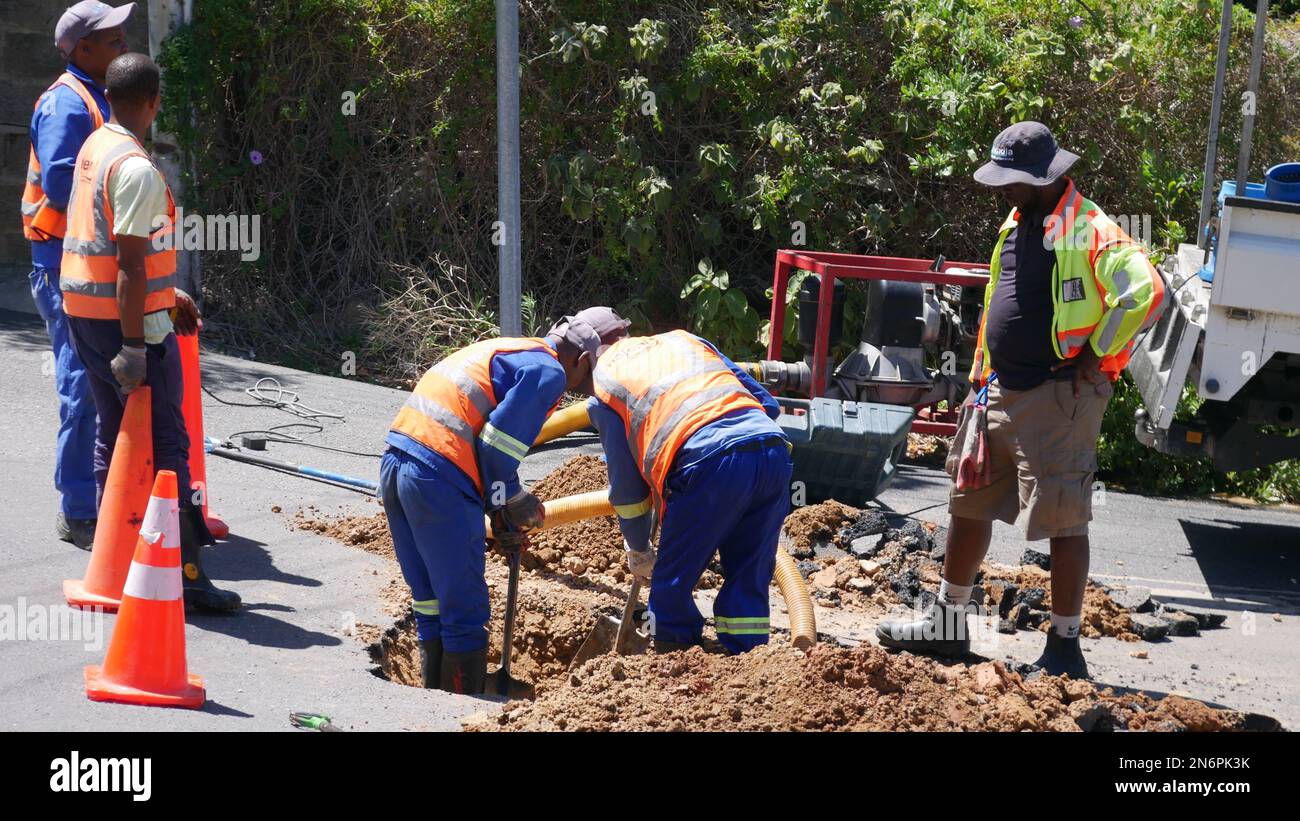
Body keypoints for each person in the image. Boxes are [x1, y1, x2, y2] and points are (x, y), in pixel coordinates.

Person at [876, 122, 1165, 678]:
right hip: (998, 389)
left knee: (1062, 518)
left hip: (1059, 394)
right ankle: (947, 623)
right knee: (968, 502)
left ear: (1044, 177)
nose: (1001, 190)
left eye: (1011, 180)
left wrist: (1097, 352)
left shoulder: (1089, 228)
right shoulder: (1018, 219)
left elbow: (1145, 291)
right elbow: (1001, 301)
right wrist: (981, 375)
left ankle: (1063, 648)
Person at [61, 52, 238, 612]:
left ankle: (117, 558)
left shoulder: (98, 145)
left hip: (88, 314)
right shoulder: (137, 169)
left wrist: (168, 296)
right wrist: (137, 346)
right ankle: (184, 575)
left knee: (116, 435)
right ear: (154, 102)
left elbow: (121, 252)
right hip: (124, 326)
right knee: (168, 447)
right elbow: (131, 264)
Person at [381, 307, 632, 695]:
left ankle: (428, 700)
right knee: (464, 609)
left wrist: (498, 510)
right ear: (582, 360)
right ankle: (459, 709)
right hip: (440, 476)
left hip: (398, 465)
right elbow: (495, 450)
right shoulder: (549, 374)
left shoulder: (517, 349)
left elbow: (483, 444)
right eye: (596, 372)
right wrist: (515, 500)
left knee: (430, 598)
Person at [581, 329, 793, 655]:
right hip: (771, 448)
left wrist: (639, 549)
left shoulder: (606, 385)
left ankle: (674, 660)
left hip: (707, 460)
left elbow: (628, 491)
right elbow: (765, 401)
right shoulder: (684, 340)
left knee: (672, 580)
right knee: (750, 569)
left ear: (589, 358)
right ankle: (749, 659)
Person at [22, 1, 138, 549]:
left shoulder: (94, 97)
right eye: (112, 38)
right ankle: (79, 510)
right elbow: (70, 191)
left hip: (85, 269)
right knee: (83, 388)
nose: (123, 42)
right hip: (65, 272)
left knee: (99, 385)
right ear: (82, 50)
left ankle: (105, 498)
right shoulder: (68, 105)